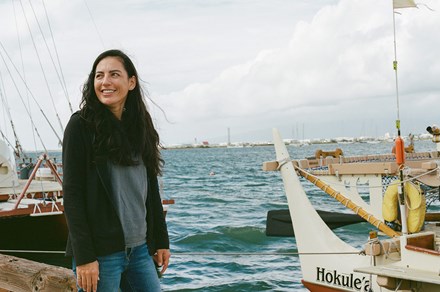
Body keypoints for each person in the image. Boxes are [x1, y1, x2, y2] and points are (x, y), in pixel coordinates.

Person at [63, 49, 170, 292]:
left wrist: (161, 240)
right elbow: (72, 196)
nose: (105, 82)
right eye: (99, 75)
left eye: (114, 74)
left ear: (131, 82)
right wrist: (85, 257)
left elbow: (150, 188)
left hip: (141, 250)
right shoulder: (80, 126)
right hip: (101, 254)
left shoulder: (140, 125)